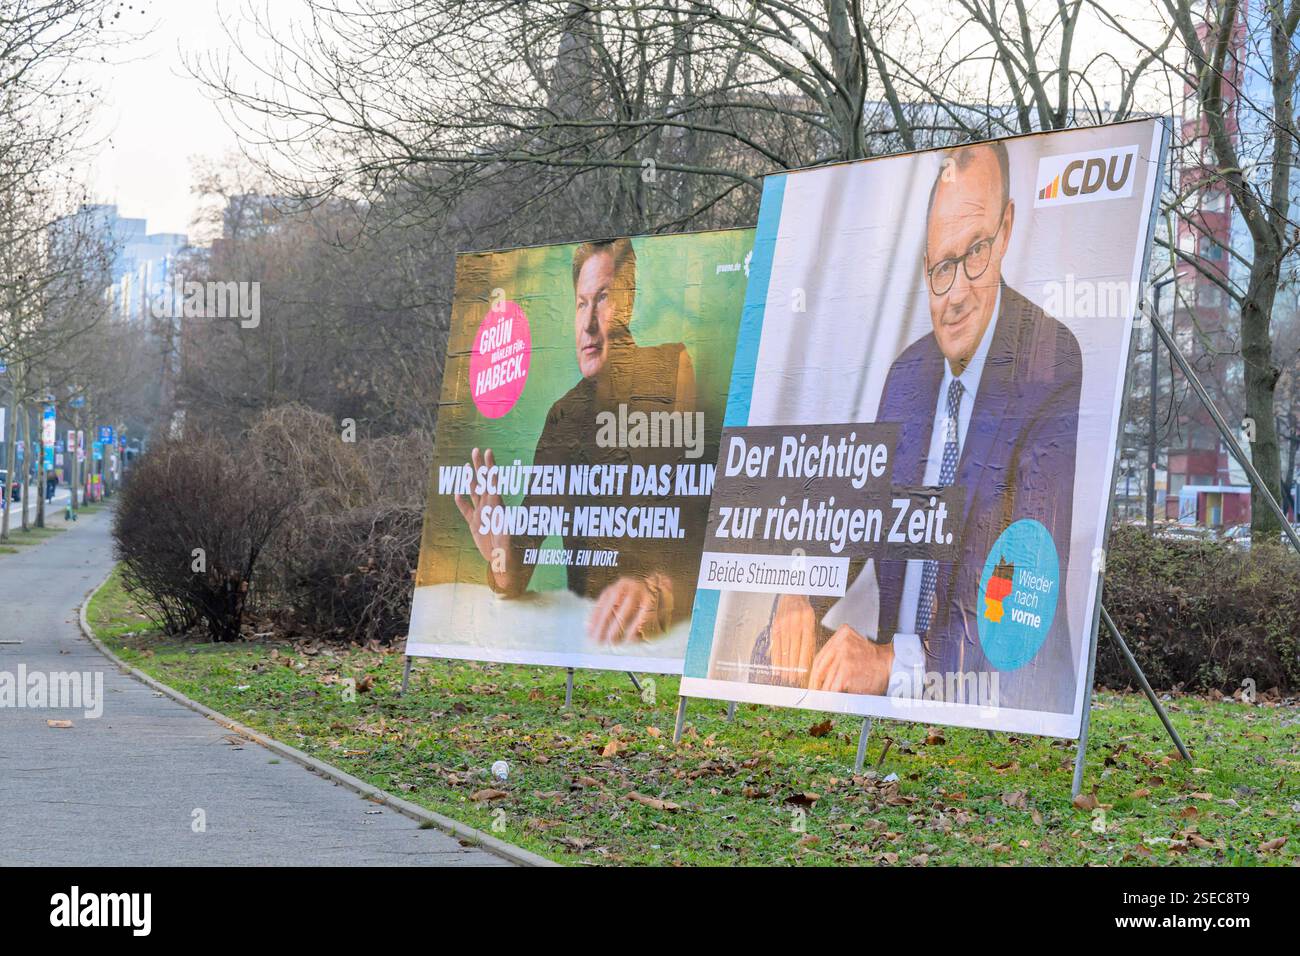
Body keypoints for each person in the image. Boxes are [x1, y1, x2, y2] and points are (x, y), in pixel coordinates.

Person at [756, 140, 1082, 713]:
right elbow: (856, 512)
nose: (954, 293)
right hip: (896, 713)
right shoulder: (907, 375)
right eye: (939, 267)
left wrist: (892, 664)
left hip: (1000, 704)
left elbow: (1017, 601)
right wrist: (798, 588)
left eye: (975, 251)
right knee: (769, 652)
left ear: (1006, 230)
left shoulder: (1049, 361)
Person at [454, 238, 704, 645]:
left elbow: (685, 508)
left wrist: (657, 585)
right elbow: (516, 571)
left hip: (666, 639)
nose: (588, 324)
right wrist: (498, 550)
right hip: (590, 639)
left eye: (602, 299)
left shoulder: (670, 367)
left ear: (628, 303)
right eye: (581, 303)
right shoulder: (564, 415)